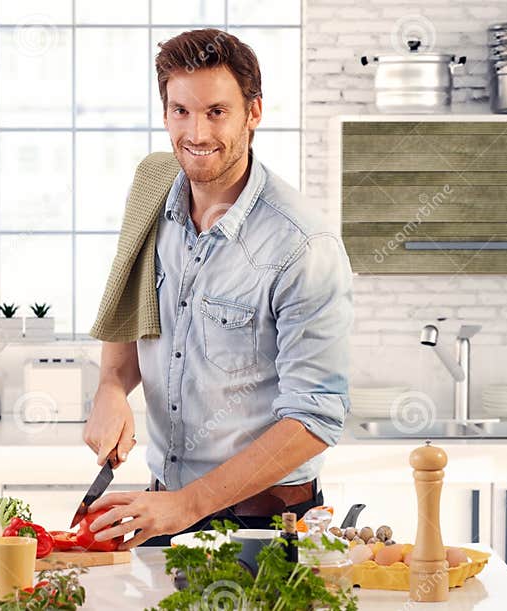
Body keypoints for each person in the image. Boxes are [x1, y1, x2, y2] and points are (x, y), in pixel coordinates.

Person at [82, 28, 354, 548]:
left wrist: (187, 506)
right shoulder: (154, 188)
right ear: (164, 113)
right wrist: (111, 387)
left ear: (253, 113)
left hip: (264, 529)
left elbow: (315, 419)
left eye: (216, 112)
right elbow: (132, 298)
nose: (197, 133)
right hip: (160, 510)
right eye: (180, 111)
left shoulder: (302, 246)